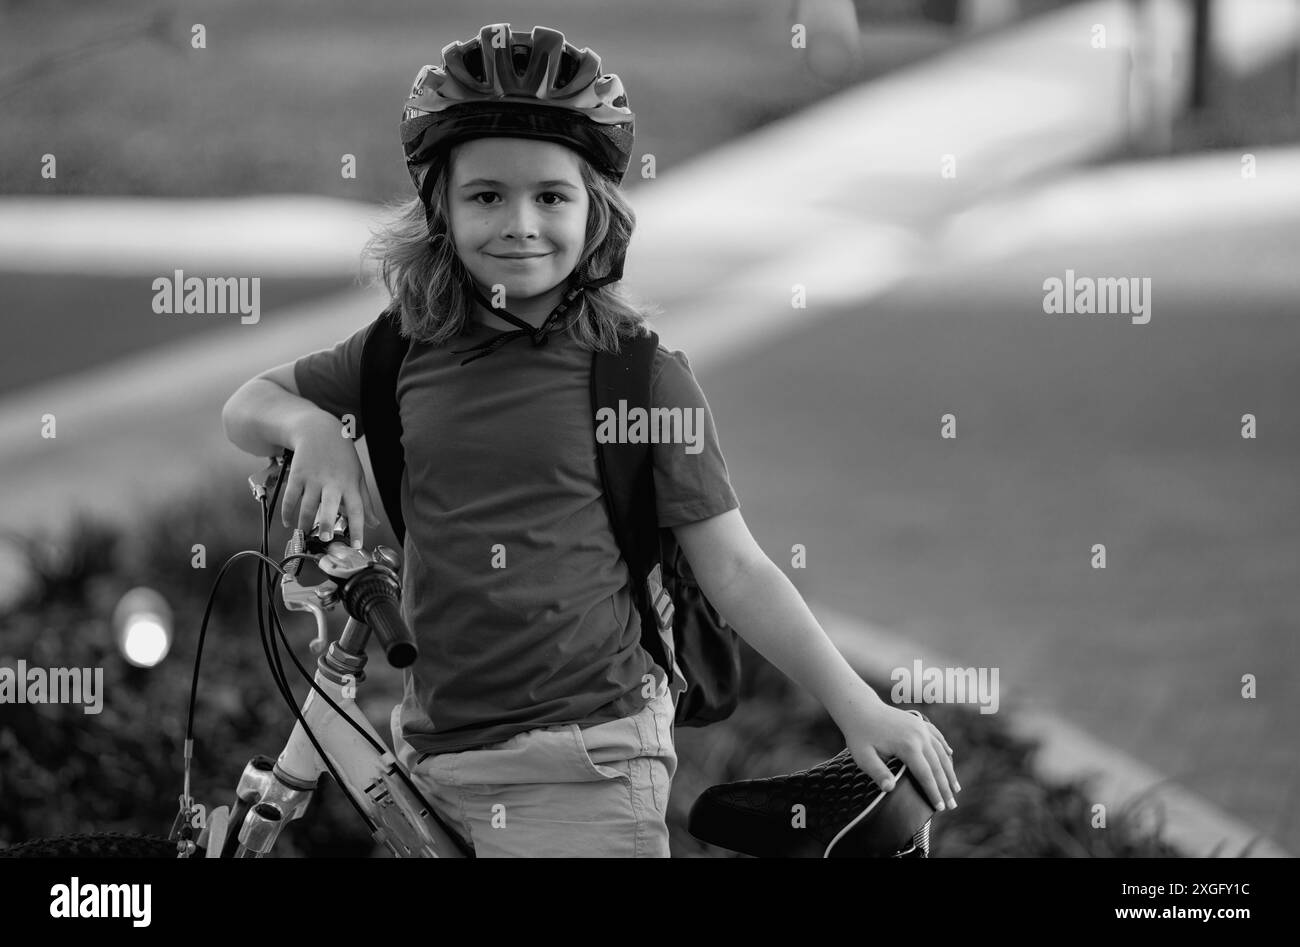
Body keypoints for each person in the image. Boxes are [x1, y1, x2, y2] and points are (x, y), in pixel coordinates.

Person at [221, 22, 959, 858]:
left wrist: (863, 707)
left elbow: (737, 568)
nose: (521, 224)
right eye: (486, 195)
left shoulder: (639, 376)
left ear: (595, 209)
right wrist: (311, 426)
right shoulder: (403, 348)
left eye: (551, 196)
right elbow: (250, 402)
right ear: (441, 209)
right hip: (435, 749)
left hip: (588, 760)